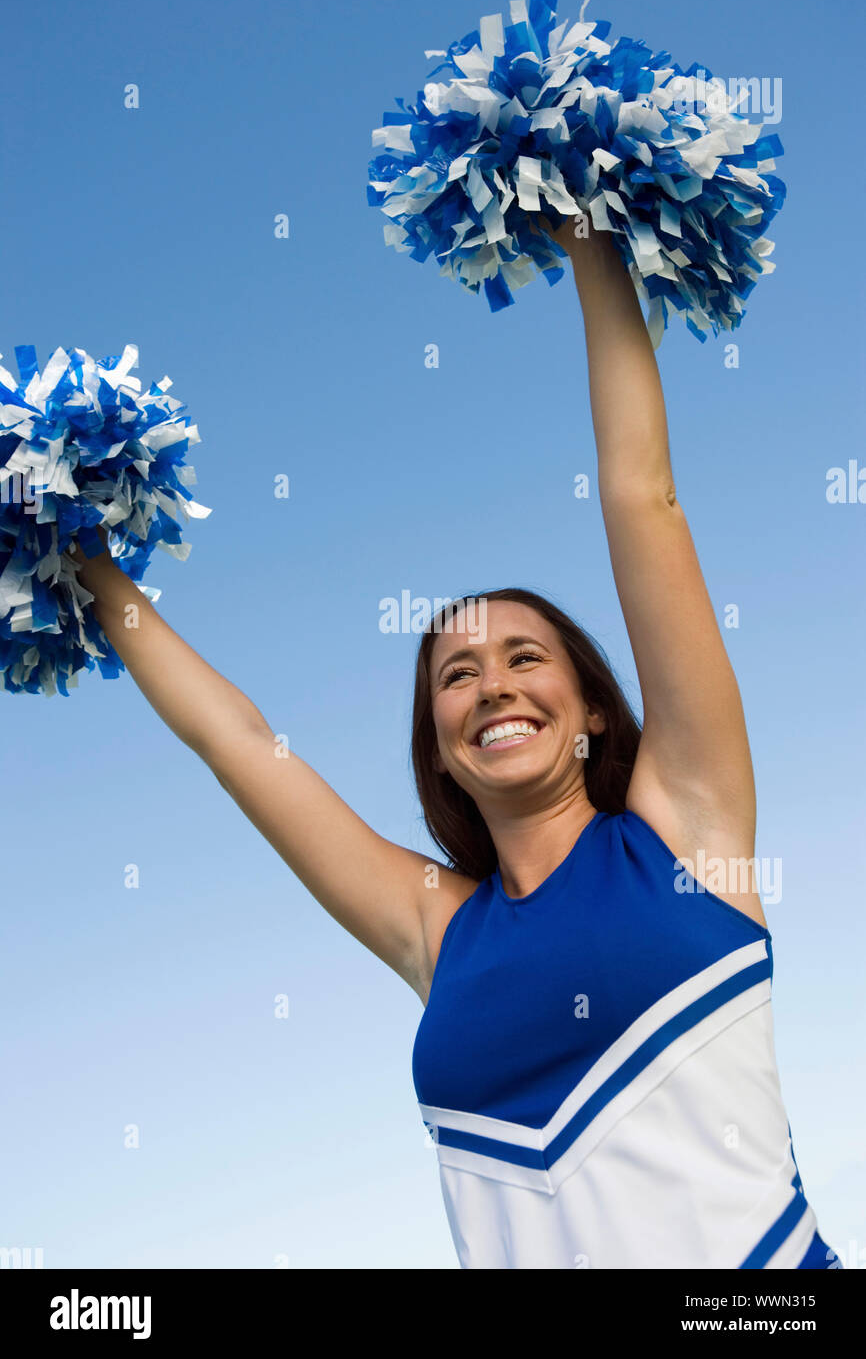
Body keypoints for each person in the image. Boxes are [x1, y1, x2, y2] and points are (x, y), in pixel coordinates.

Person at [72, 216, 839, 1270]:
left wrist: (582, 234)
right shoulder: (438, 931)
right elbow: (237, 741)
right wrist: (75, 552)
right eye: (456, 674)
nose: (492, 687)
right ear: (438, 747)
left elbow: (642, 500)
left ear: (593, 710)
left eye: (525, 659)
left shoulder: (682, 828)